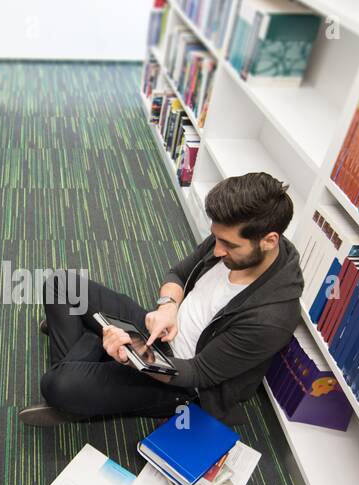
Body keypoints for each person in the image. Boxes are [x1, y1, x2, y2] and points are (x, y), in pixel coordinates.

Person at [19, 172, 303, 427]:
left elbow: (198, 373)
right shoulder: (234, 237)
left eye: (228, 244)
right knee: (61, 283)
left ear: (269, 240)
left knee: (58, 384)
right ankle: (91, 349)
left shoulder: (271, 318)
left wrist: (133, 359)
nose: (216, 250)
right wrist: (167, 307)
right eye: (215, 237)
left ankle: (85, 356)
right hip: (160, 330)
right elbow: (178, 274)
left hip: (178, 380)